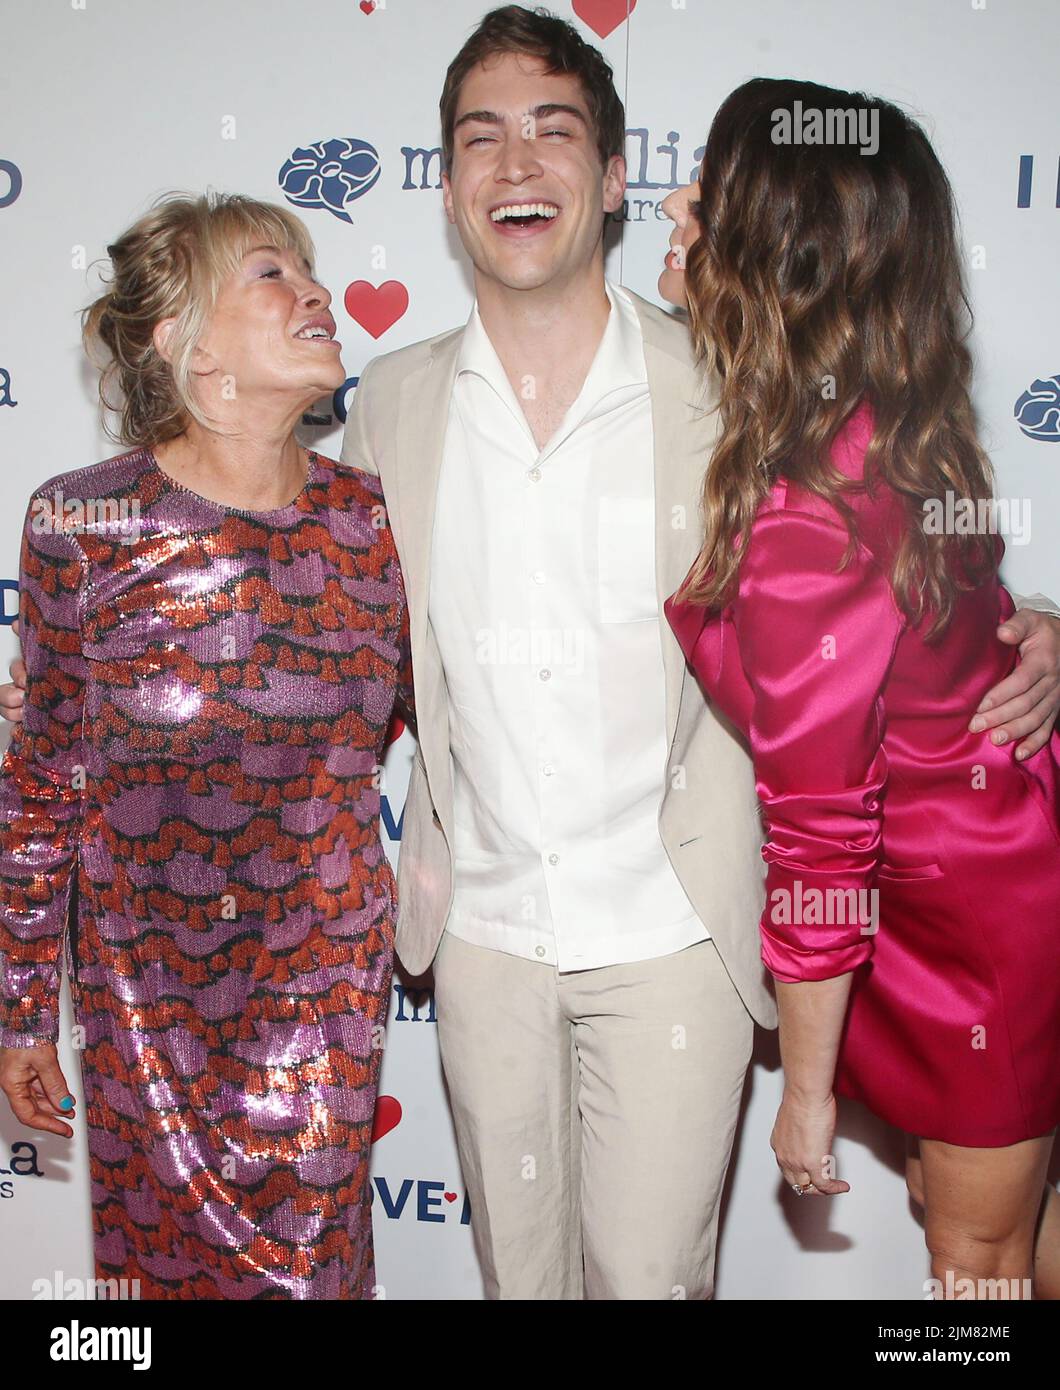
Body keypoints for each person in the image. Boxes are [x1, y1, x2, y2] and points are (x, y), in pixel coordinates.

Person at [3, 6, 1058, 1302]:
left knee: (651, 1284)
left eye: (555, 133)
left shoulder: (733, 387)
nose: (516, 163)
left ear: (614, 181)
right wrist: (101, 672)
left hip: (680, 930)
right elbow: (312, 632)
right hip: (485, 934)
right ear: (445, 190)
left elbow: (893, 549)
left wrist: (1042, 624)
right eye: (481, 137)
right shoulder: (383, 406)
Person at [661, 78, 1059, 1299]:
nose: (676, 205)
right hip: (961, 891)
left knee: (974, 1261)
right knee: (998, 1228)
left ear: (776, 247)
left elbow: (822, 835)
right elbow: (953, 634)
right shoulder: (882, 428)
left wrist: (808, 1094)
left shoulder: (808, 512)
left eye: (708, 194)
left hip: (974, 928)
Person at [0, 192, 413, 1299]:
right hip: (145, 1016)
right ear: (181, 341)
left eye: (314, 273)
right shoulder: (78, 525)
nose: (318, 293)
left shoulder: (374, 526)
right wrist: (23, 1005)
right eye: (273, 274)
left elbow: (468, 717)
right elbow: (42, 784)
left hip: (319, 1002)